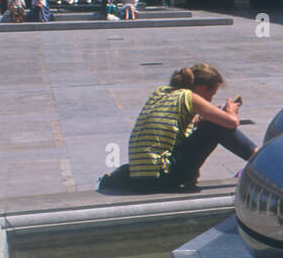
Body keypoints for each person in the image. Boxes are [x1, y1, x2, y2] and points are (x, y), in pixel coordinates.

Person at [98, 63, 255, 192]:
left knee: (210, 123)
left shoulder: (162, 92)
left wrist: (206, 116)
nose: (210, 99)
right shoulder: (190, 97)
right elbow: (231, 123)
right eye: (211, 94)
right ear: (201, 88)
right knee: (216, 126)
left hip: (142, 175)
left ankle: (257, 157)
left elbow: (178, 131)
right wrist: (230, 112)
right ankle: (259, 158)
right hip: (163, 176)